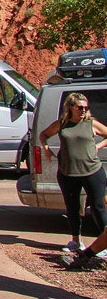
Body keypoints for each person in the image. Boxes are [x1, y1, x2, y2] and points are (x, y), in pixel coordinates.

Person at [38, 92, 107, 252]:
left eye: (86, 107)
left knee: (98, 207)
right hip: (67, 173)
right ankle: (76, 241)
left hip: (92, 171)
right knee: (72, 208)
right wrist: (46, 149)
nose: (84, 110)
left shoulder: (92, 124)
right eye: (80, 107)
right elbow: (44, 134)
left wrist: (97, 146)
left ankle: (103, 244)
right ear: (70, 107)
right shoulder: (62, 123)